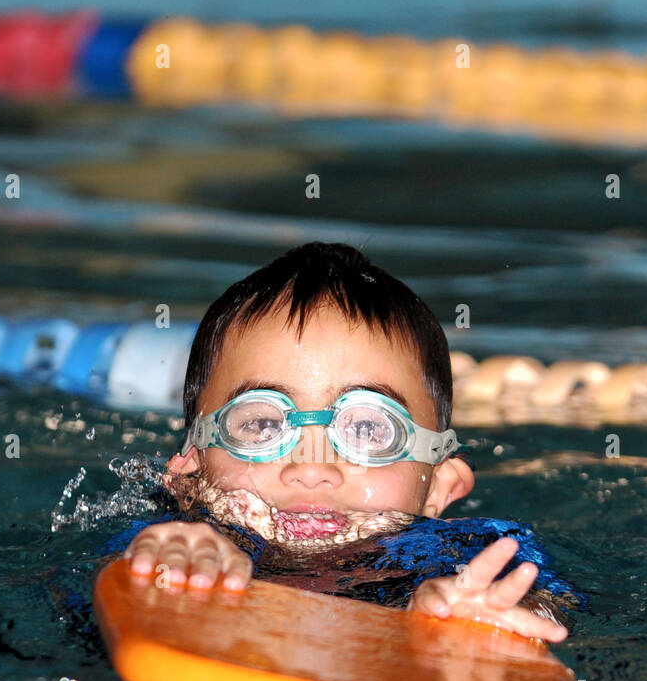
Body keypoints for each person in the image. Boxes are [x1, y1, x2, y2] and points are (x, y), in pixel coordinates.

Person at [108, 241, 577, 642]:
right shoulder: (162, 546)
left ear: (437, 487)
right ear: (187, 474)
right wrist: (158, 571)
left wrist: (474, 621)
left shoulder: (475, 556)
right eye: (262, 425)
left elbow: (549, 610)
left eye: (369, 429)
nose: (312, 469)